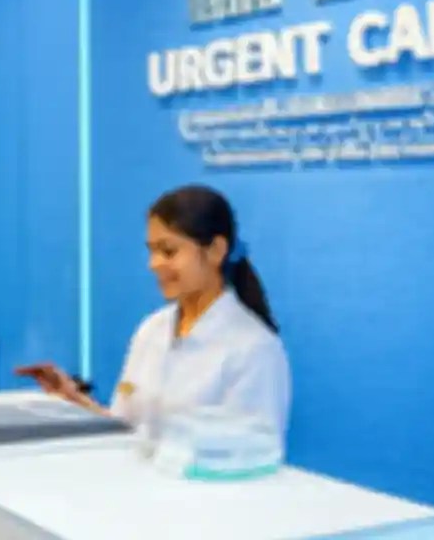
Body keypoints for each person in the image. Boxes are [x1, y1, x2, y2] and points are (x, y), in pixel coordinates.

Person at [19, 185, 291, 438]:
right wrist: (75, 402)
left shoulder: (254, 348)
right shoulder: (152, 329)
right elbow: (126, 430)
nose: (154, 264)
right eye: (151, 251)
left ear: (215, 250)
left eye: (169, 252)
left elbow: (253, 456)